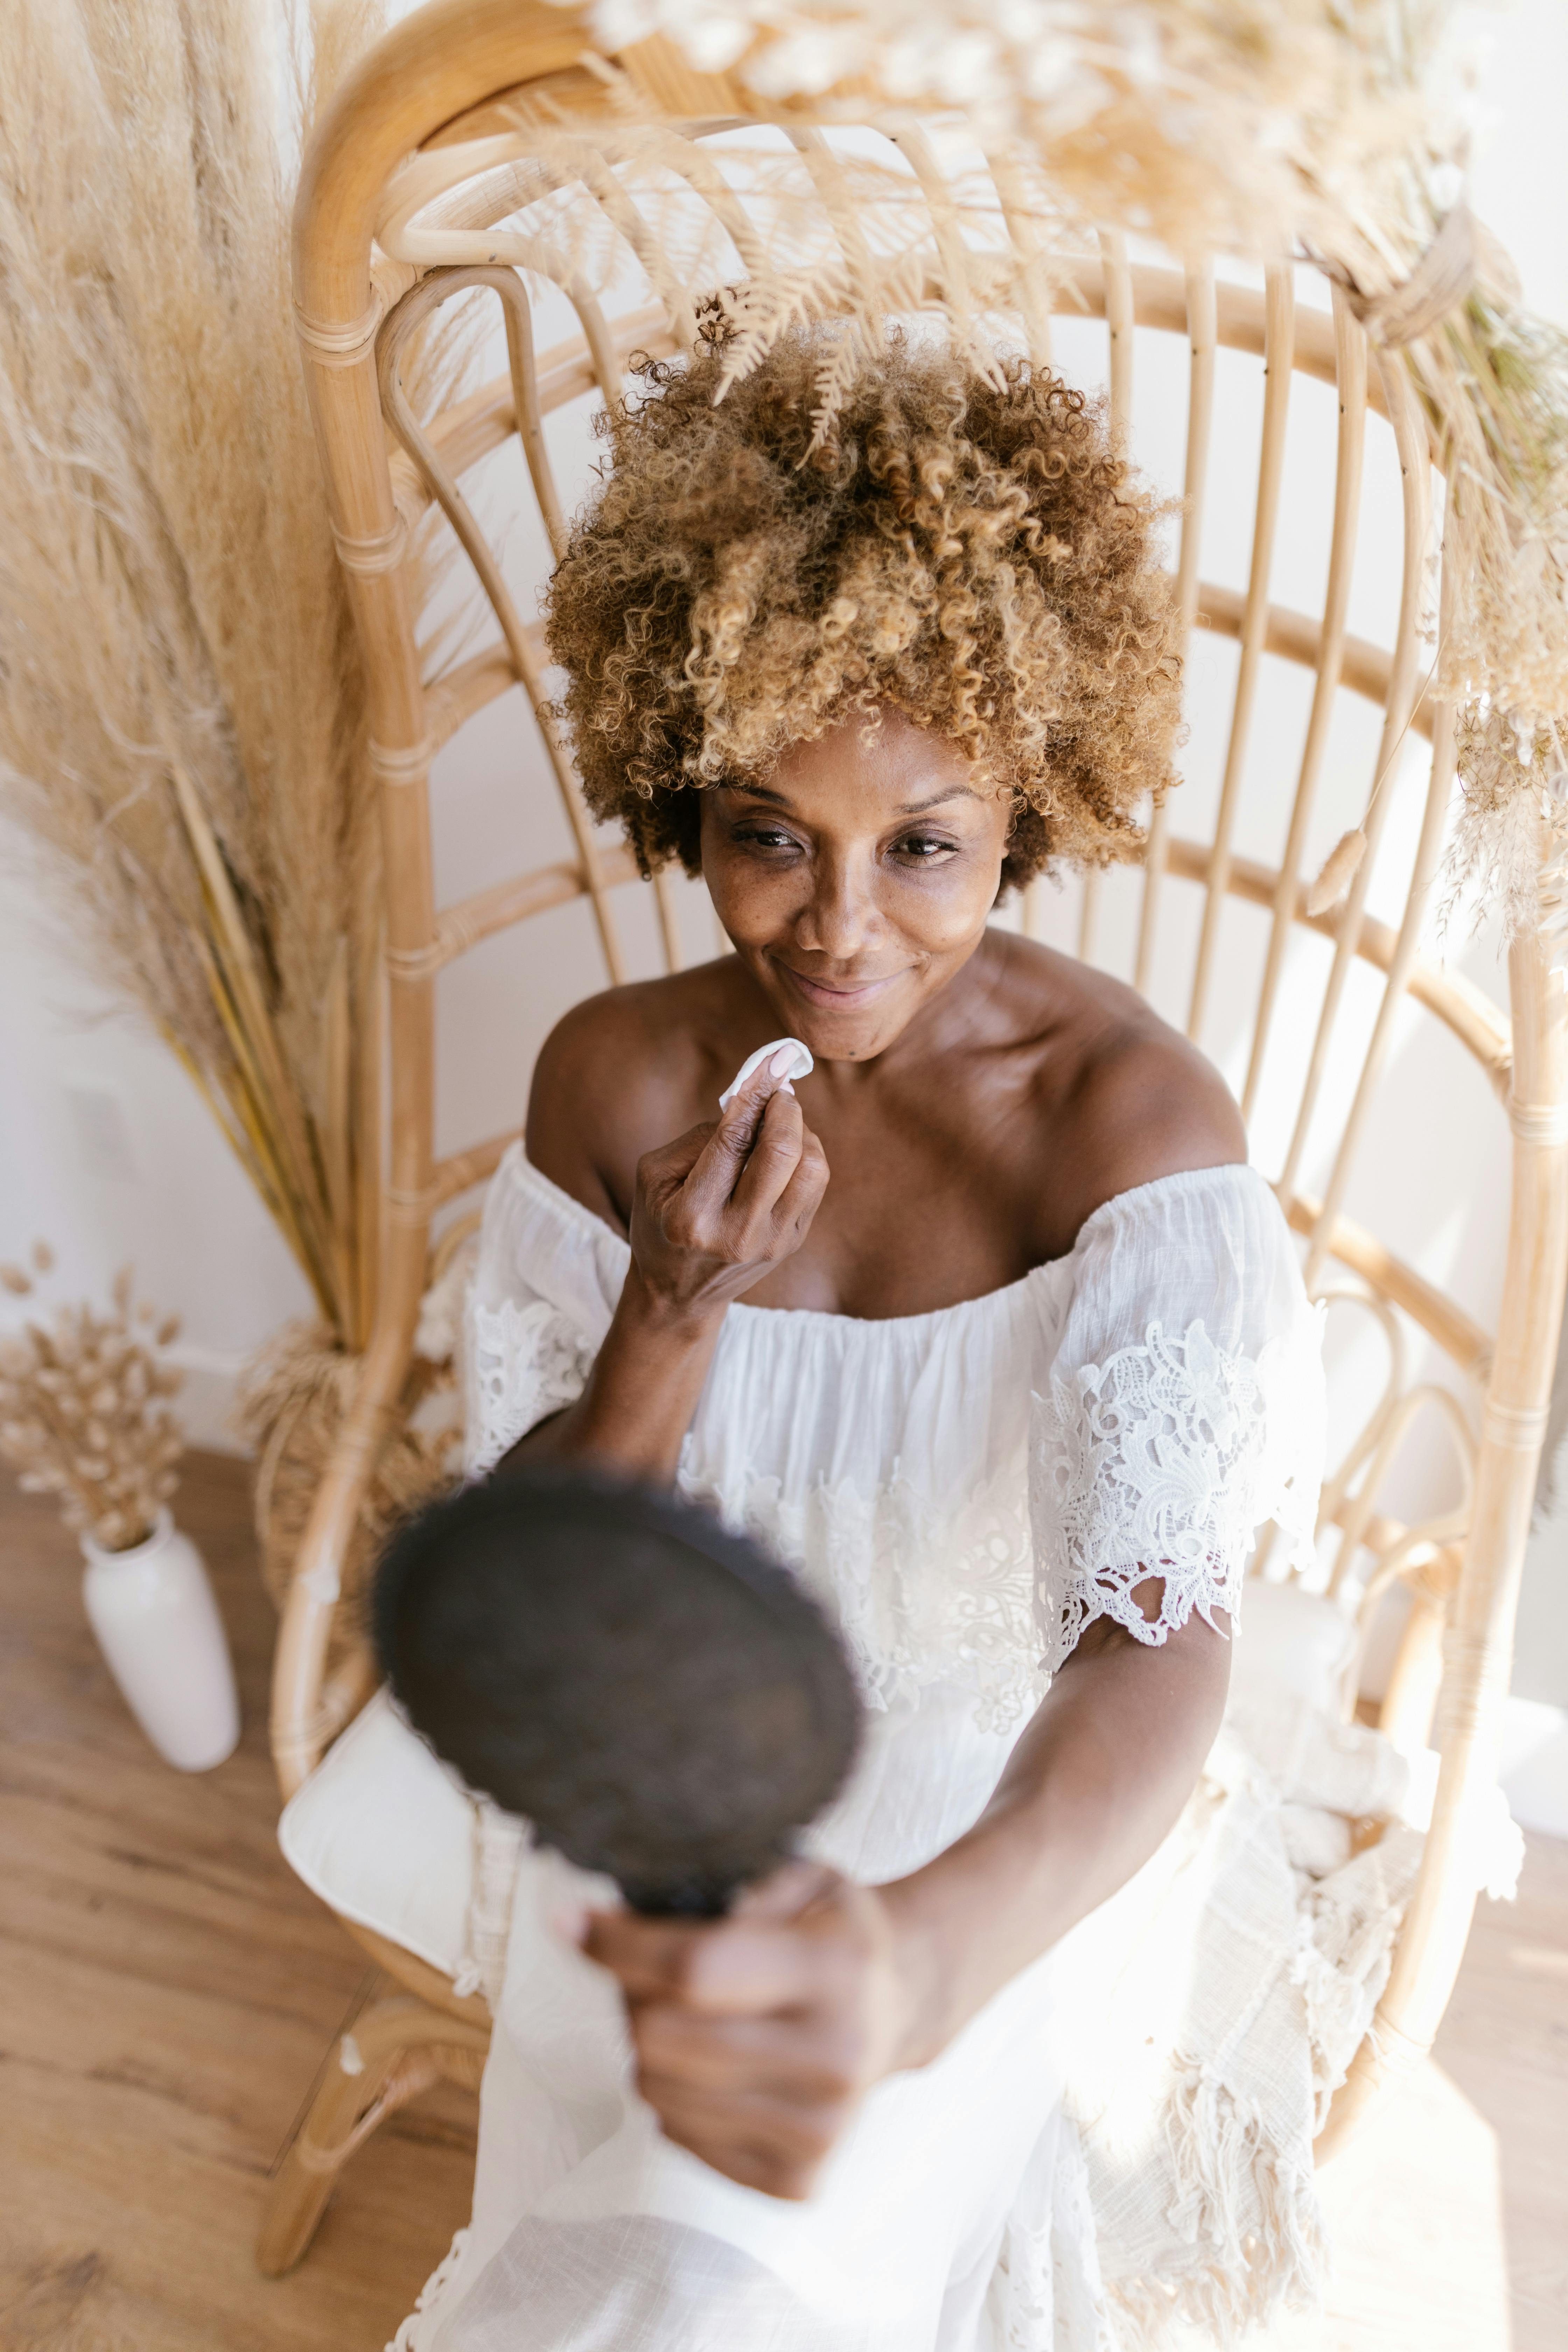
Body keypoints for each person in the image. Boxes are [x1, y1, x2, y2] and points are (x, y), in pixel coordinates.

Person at [403, 321, 1324, 2351]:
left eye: (921, 845)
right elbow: (535, 1593)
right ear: (681, 794)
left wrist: (920, 1958)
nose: (836, 931)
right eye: (769, 835)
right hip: (659, 1791)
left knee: (696, 2284)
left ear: (1030, 807)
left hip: (990, 1839)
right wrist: (667, 1314)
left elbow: (1155, 1642)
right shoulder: (612, 1081)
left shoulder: (1124, 1130)